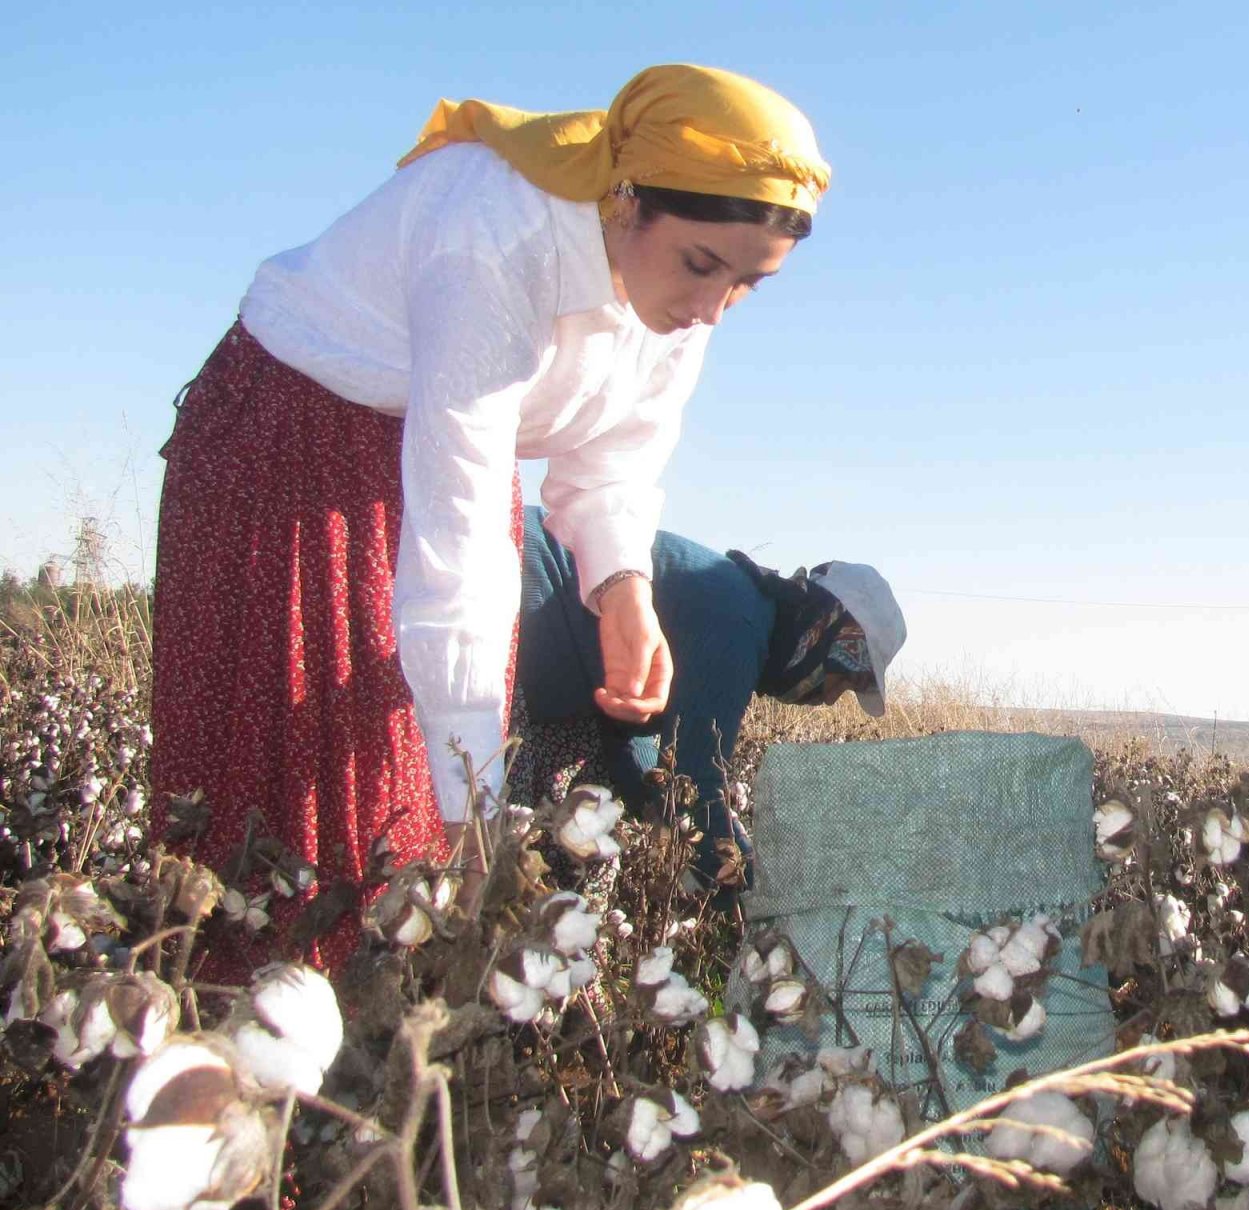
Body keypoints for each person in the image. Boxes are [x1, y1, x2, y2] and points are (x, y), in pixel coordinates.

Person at [149, 64, 830, 972]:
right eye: (701, 265)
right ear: (626, 201)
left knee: (392, 779)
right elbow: (458, 552)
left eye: (748, 284)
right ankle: (238, 1033)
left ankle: (372, 1030)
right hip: (296, 445)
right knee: (304, 780)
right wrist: (478, 820)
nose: (712, 308)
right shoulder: (494, 237)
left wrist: (624, 591)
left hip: (424, 460)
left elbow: (614, 465)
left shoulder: (677, 308)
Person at [512, 506, 907, 888]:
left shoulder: (743, 614)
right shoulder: (737, 625)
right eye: (841, 679)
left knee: (575, 852)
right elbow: (692, 780)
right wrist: (749, 897)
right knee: (493, 845)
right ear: (822, 637)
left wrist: (710, 838)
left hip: (546, 660)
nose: (829, 698)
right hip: (514, 598)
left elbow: (637, 749)